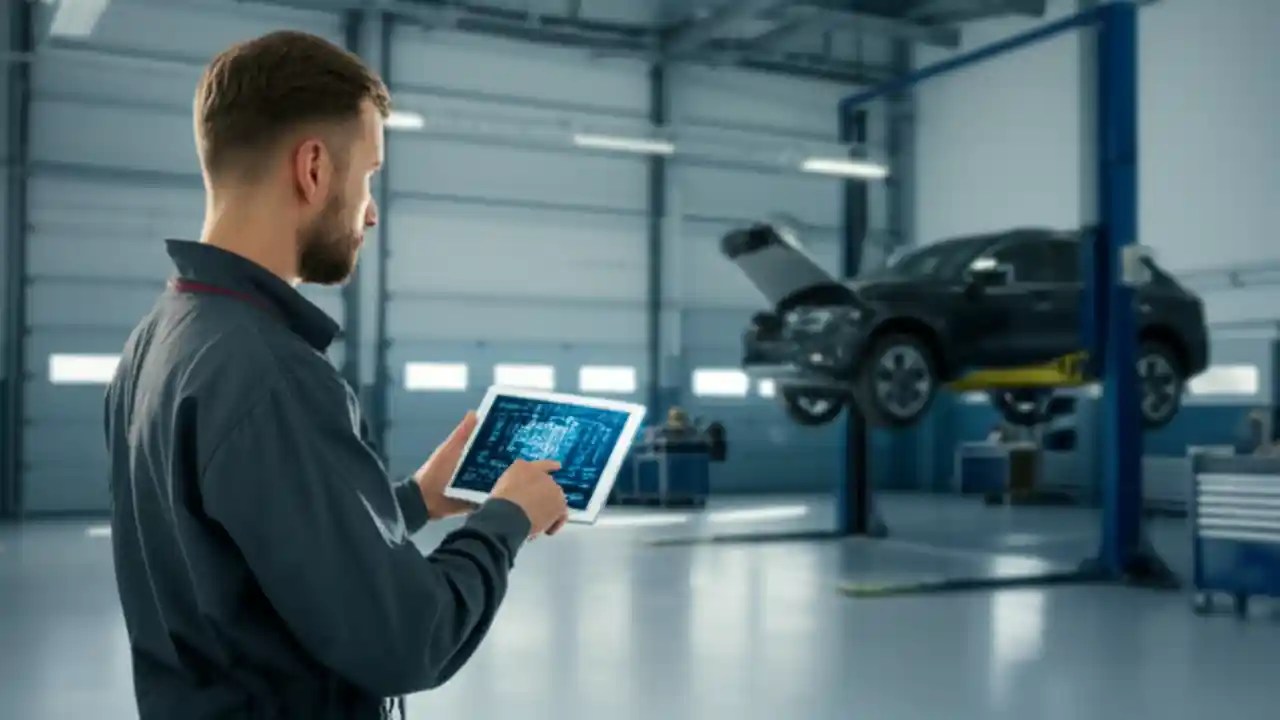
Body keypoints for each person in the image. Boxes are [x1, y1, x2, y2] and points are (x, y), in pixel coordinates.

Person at [103, 30, 570, 719]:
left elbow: (255, 557)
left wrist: (417, 500)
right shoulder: (270, 374)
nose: (372, 211)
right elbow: (410, 638)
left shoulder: (161, 338)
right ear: (315, 169)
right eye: (370, 176)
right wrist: (507, 519)